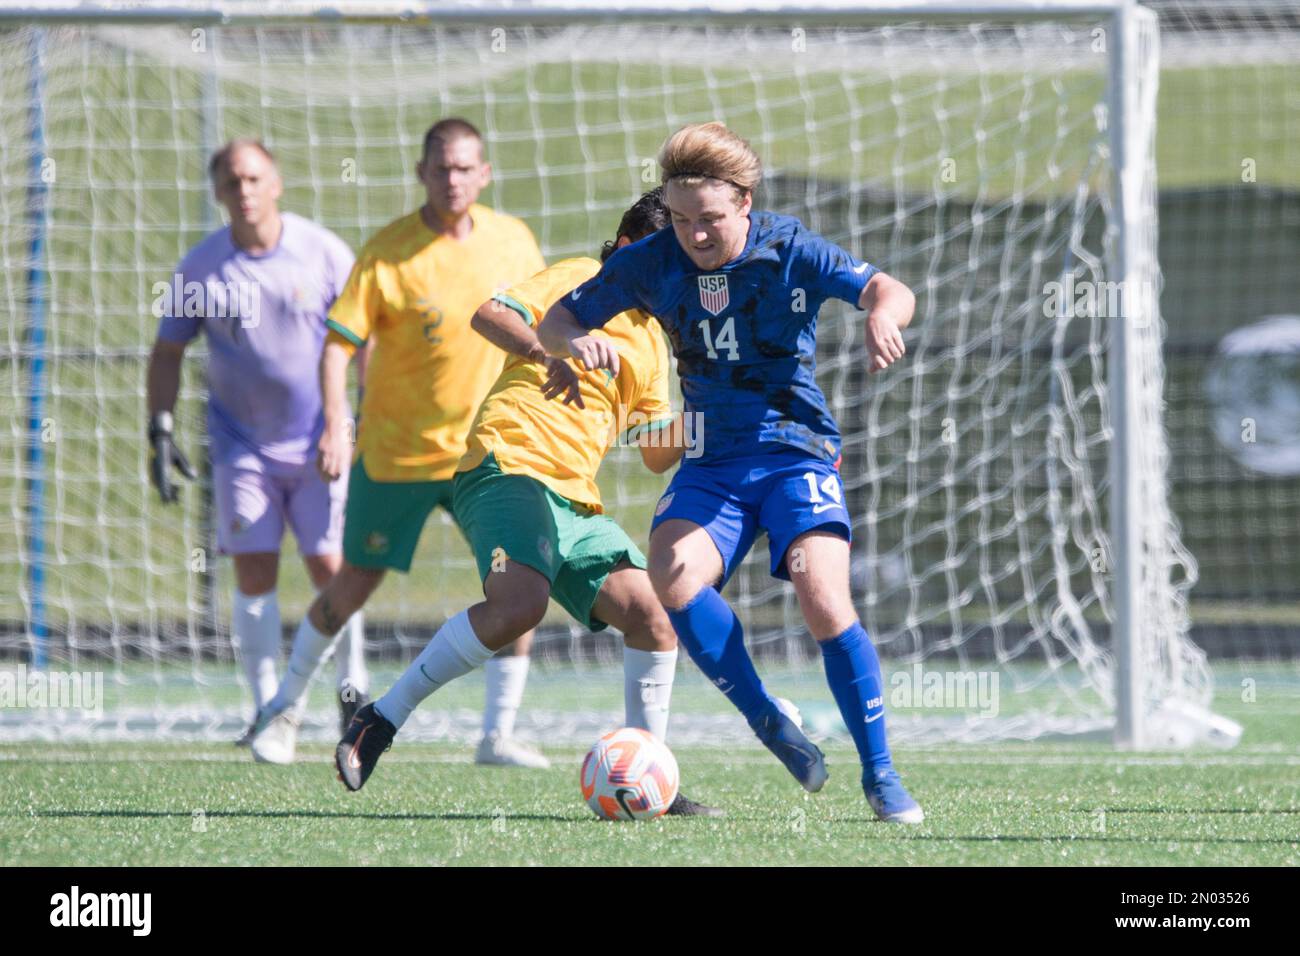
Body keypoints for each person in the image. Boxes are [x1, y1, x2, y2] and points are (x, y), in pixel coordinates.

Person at [537, 122, 925, 823]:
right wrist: (573, 343)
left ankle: (882, 775)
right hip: (713, 460)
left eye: (710, 219)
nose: (696, 235)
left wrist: (881, 317)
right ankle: (767, 719)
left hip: (795, 451)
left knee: (821, 596)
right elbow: (556, 319)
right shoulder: (652, 261)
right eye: (682, 220)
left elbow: (889, 290)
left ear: (745, 203)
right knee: (673, 575)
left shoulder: (791, 248)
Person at [335, 188, 720, 817]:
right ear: (630, 249)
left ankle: (651, 772)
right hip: (506, 463)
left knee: (653, 615)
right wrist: (552, 350)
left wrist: (709, 418)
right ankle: (380, 720)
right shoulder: (583, 280)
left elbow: (654, 450)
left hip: (574, 499)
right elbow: (489, 315)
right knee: (520, 604)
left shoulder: (653, 341)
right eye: (668, 256)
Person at [248, 119, 550, 768]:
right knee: (352, 584)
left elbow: (543, 324)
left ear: (485, 173)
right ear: (421, 173)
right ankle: (284, 713)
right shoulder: (388, 251)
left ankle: (497, 735)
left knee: (517, 581)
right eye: (441, 168)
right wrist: (336, 420)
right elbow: (338, 346)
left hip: (488, 455)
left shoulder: (515, 241)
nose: (453, 179)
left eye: (466, 168)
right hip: (397, 455)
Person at [146, 139, 368, 740]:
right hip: (241, 445)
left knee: (332, 565)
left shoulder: (322, 253)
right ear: (218, 192)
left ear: (277, 183)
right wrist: (159, 427)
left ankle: (354, 695)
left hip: (323, 440)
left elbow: (364, 341)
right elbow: (168, 350)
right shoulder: (199, 268)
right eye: (230, 182)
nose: (243, 191)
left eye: (253, 179)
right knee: (252, 570)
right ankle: (271, 709)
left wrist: (354, 423)